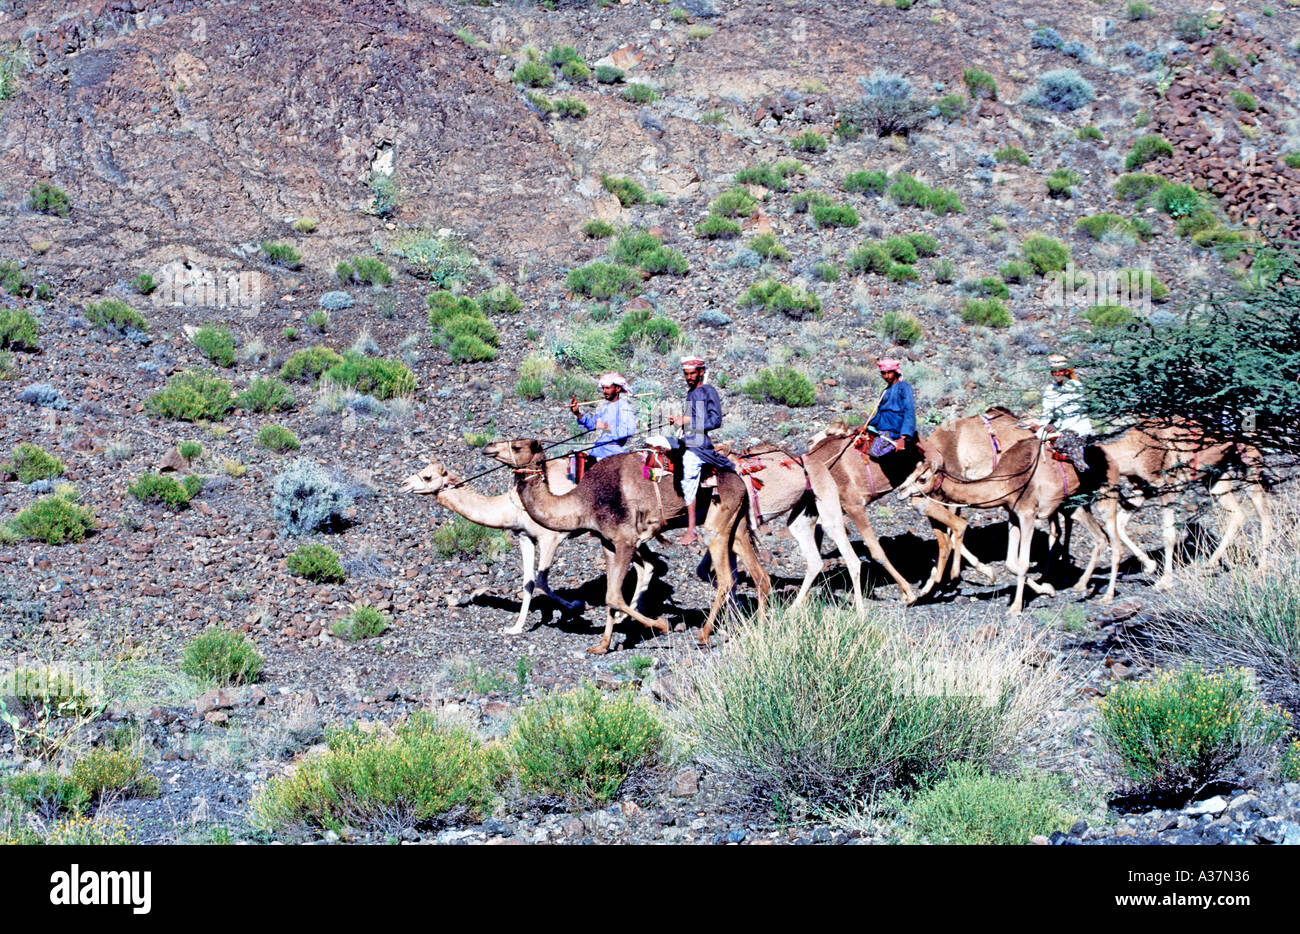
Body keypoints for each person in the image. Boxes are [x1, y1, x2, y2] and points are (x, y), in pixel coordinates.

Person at [668, 355, 731, 546]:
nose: (688, 377)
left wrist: (688, 421)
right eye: (686, 374)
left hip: (699, 445)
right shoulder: (691, 393)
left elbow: (715, 421)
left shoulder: (708, 391)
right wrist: (679, 421)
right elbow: (692, 420)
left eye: (692, 373)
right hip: (690, 439)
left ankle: (691, 530)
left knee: (687, 476)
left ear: (701, 372)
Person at [864, 358, 918, 485]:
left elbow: (909, 412)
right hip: (883, 426)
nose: (886, 376)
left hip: (895, 428)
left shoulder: (904, 388)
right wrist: (867, 425)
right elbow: (879, 414)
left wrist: (903, 437)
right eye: (883, 373)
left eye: (889, 372)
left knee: (875, 452)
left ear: (896, 372)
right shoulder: (885, 391)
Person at [1035, 353, 1092, 472]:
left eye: (1060, 371)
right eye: (1054, 371)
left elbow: (1073, 412)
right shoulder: (1050, 389)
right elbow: (1047, 411)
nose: (1056, 374)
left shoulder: (1075, 386)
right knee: (1037, 438)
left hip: (1076, 425)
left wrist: (1055, 425)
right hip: (1059, 426)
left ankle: (1084, 469)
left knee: (1062, 443)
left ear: (1066, 371)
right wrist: (1042, 424)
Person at [569, 372, 636, 460]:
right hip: (599, 450)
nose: (604, 391)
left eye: (607, 388)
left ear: (618, 388)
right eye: (603, 388)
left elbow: (630, 430)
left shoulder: (624, 406)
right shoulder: (605, 407)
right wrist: (577, 413)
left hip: (613, 451)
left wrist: (606, 427)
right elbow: (592, 424)